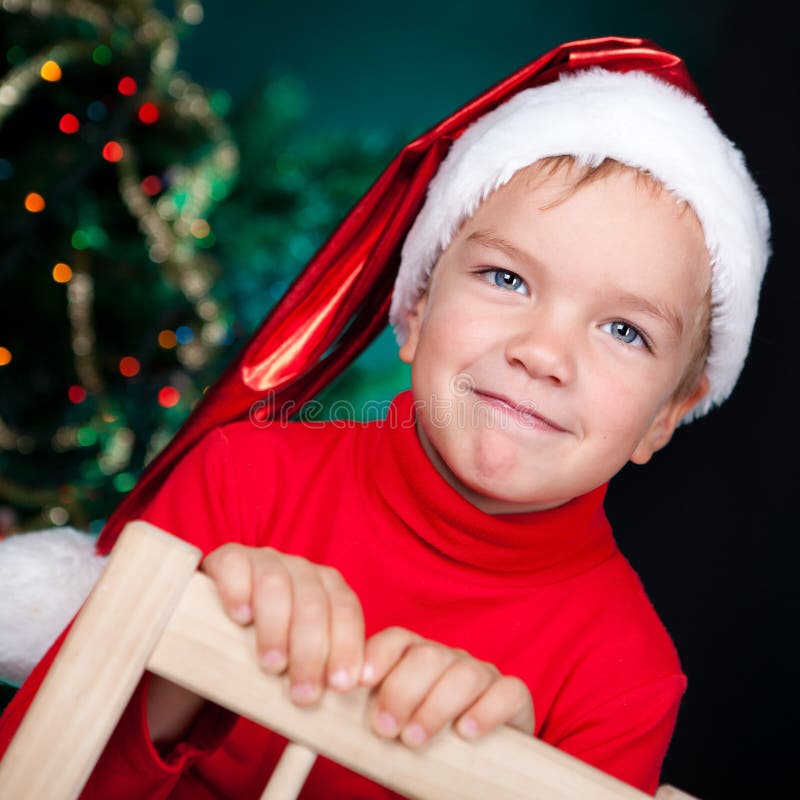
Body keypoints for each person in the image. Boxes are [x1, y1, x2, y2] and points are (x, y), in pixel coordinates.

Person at [0, 36, 770, 799]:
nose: (543, 353)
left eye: (624, 331)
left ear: (666, 418)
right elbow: (31, 772)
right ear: (414, 309)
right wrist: (186, 657)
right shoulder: (241, 480)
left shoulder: (623, 678)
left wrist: (495, 776)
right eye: (506, 277)